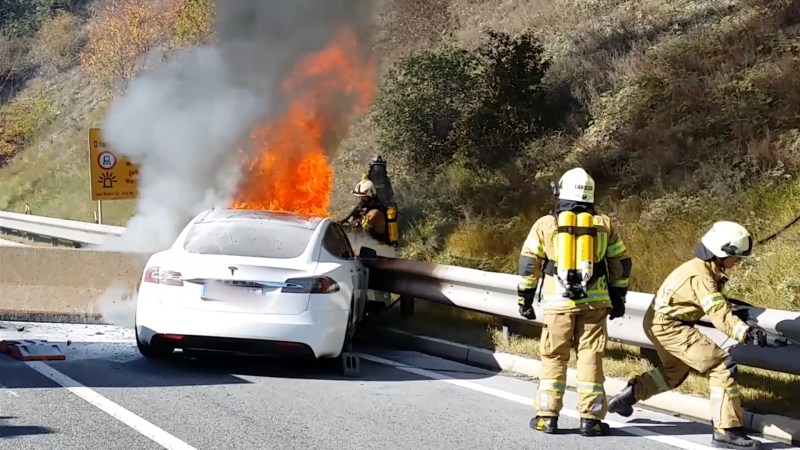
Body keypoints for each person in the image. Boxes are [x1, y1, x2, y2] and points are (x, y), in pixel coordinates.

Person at [606, 221, 768, 450]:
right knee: (722, 366)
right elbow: (719, 315)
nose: (738, 262)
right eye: (737, 257)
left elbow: (711, 302)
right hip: (671, 326)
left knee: (674, 373)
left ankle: (630, 395)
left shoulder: (699, 267)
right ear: (721, 253)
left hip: (658, 321)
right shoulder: (701, 276)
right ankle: (727, 431)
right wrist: (748, 334)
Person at [517, 167, 632, 437]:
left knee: (554, 357)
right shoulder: (604, 224)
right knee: (591, 357)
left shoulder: (545, 224)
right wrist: (618, 297)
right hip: (595, 304)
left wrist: (525, 298)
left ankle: (547, 417)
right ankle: (590, 420)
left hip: (558, 304)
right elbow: (621, 264)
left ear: (561, 191)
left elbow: (528, 265)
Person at [339, 178, 389, 244]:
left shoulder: (374, 213)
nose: (360, 199)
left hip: (377, 245)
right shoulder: (368, 205)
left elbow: (361, 231)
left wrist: (344, 229)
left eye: (363, 197)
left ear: (370, 195)